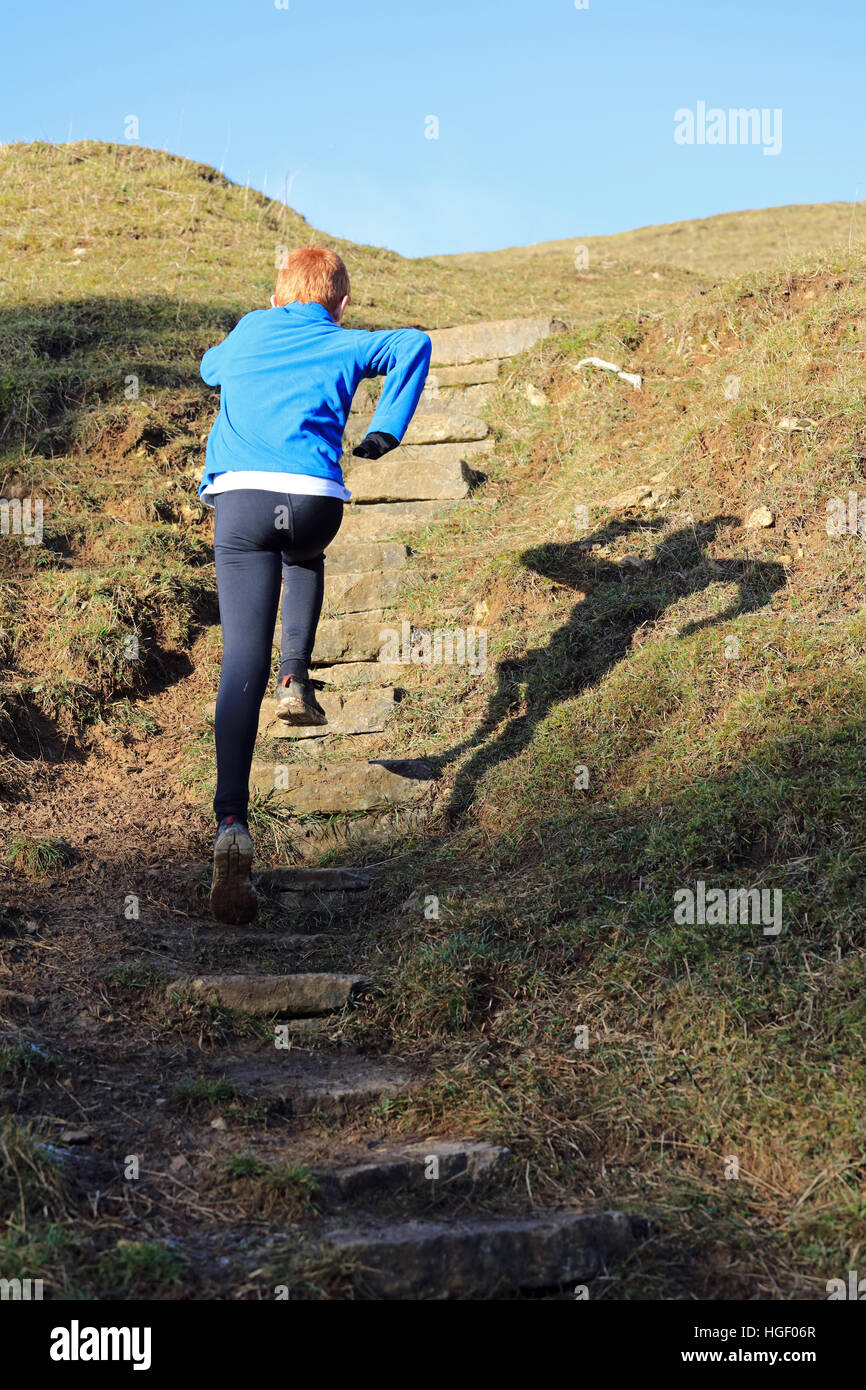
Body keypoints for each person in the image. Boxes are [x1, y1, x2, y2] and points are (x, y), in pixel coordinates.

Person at [198, 245, 431, 924]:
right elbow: (414, 342)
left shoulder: (246, 331)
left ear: (277, 296)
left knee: (240, 656)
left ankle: (232, 822)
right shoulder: (346, 339)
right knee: (304, 553)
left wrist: (256, 327)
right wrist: (385, 428)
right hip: (313, 498)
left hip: (241, 503)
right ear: (343, 303)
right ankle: (296, 677)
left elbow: (211, 368)